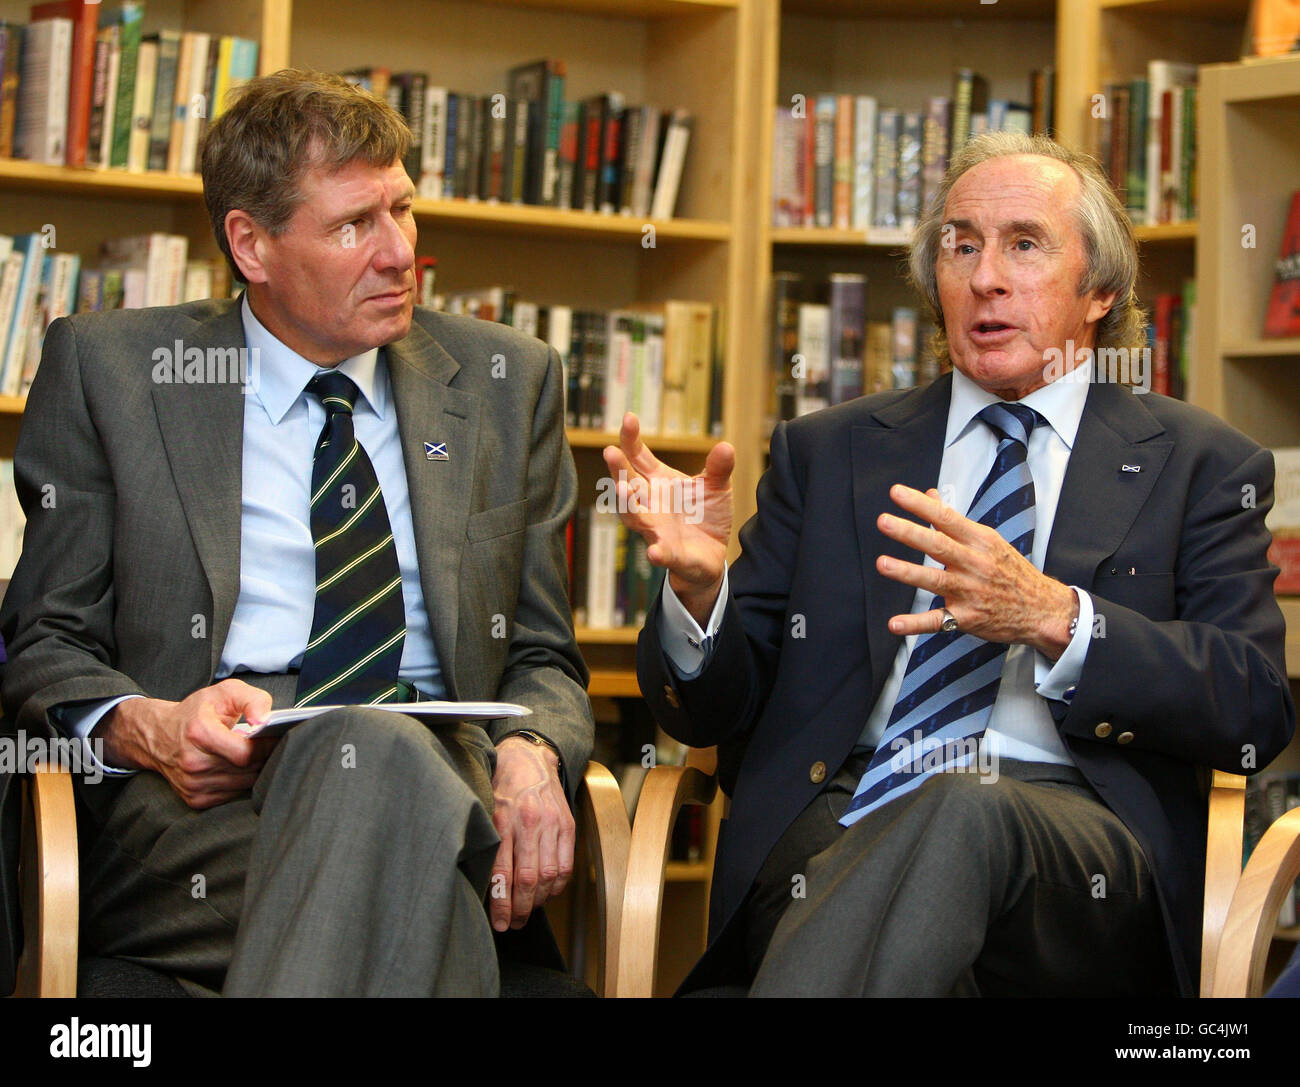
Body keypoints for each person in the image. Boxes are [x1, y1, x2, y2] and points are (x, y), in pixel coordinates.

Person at [610, 131, 1296, 996]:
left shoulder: (1198, 462)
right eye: (960, 245)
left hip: (1074, 858)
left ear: (1101, 291)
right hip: (840, 822)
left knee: (960, 806)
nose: (985, 277)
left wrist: (1059, 618)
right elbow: (712, 713)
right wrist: (700, 596)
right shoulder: (832, 452)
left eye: (1024, 245)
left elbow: (1253, 705)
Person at [0, 70, 593, 996]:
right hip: (205, 821)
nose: (400, 252)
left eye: (404, 209)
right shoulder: (116, 372)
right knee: (406, 848)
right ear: (252, 244)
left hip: (450, 787)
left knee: (388, 759)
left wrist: (534, 750)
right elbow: (44, 642)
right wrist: (150, 725)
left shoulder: (507, 380)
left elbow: (544, 657)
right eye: (356, 224)